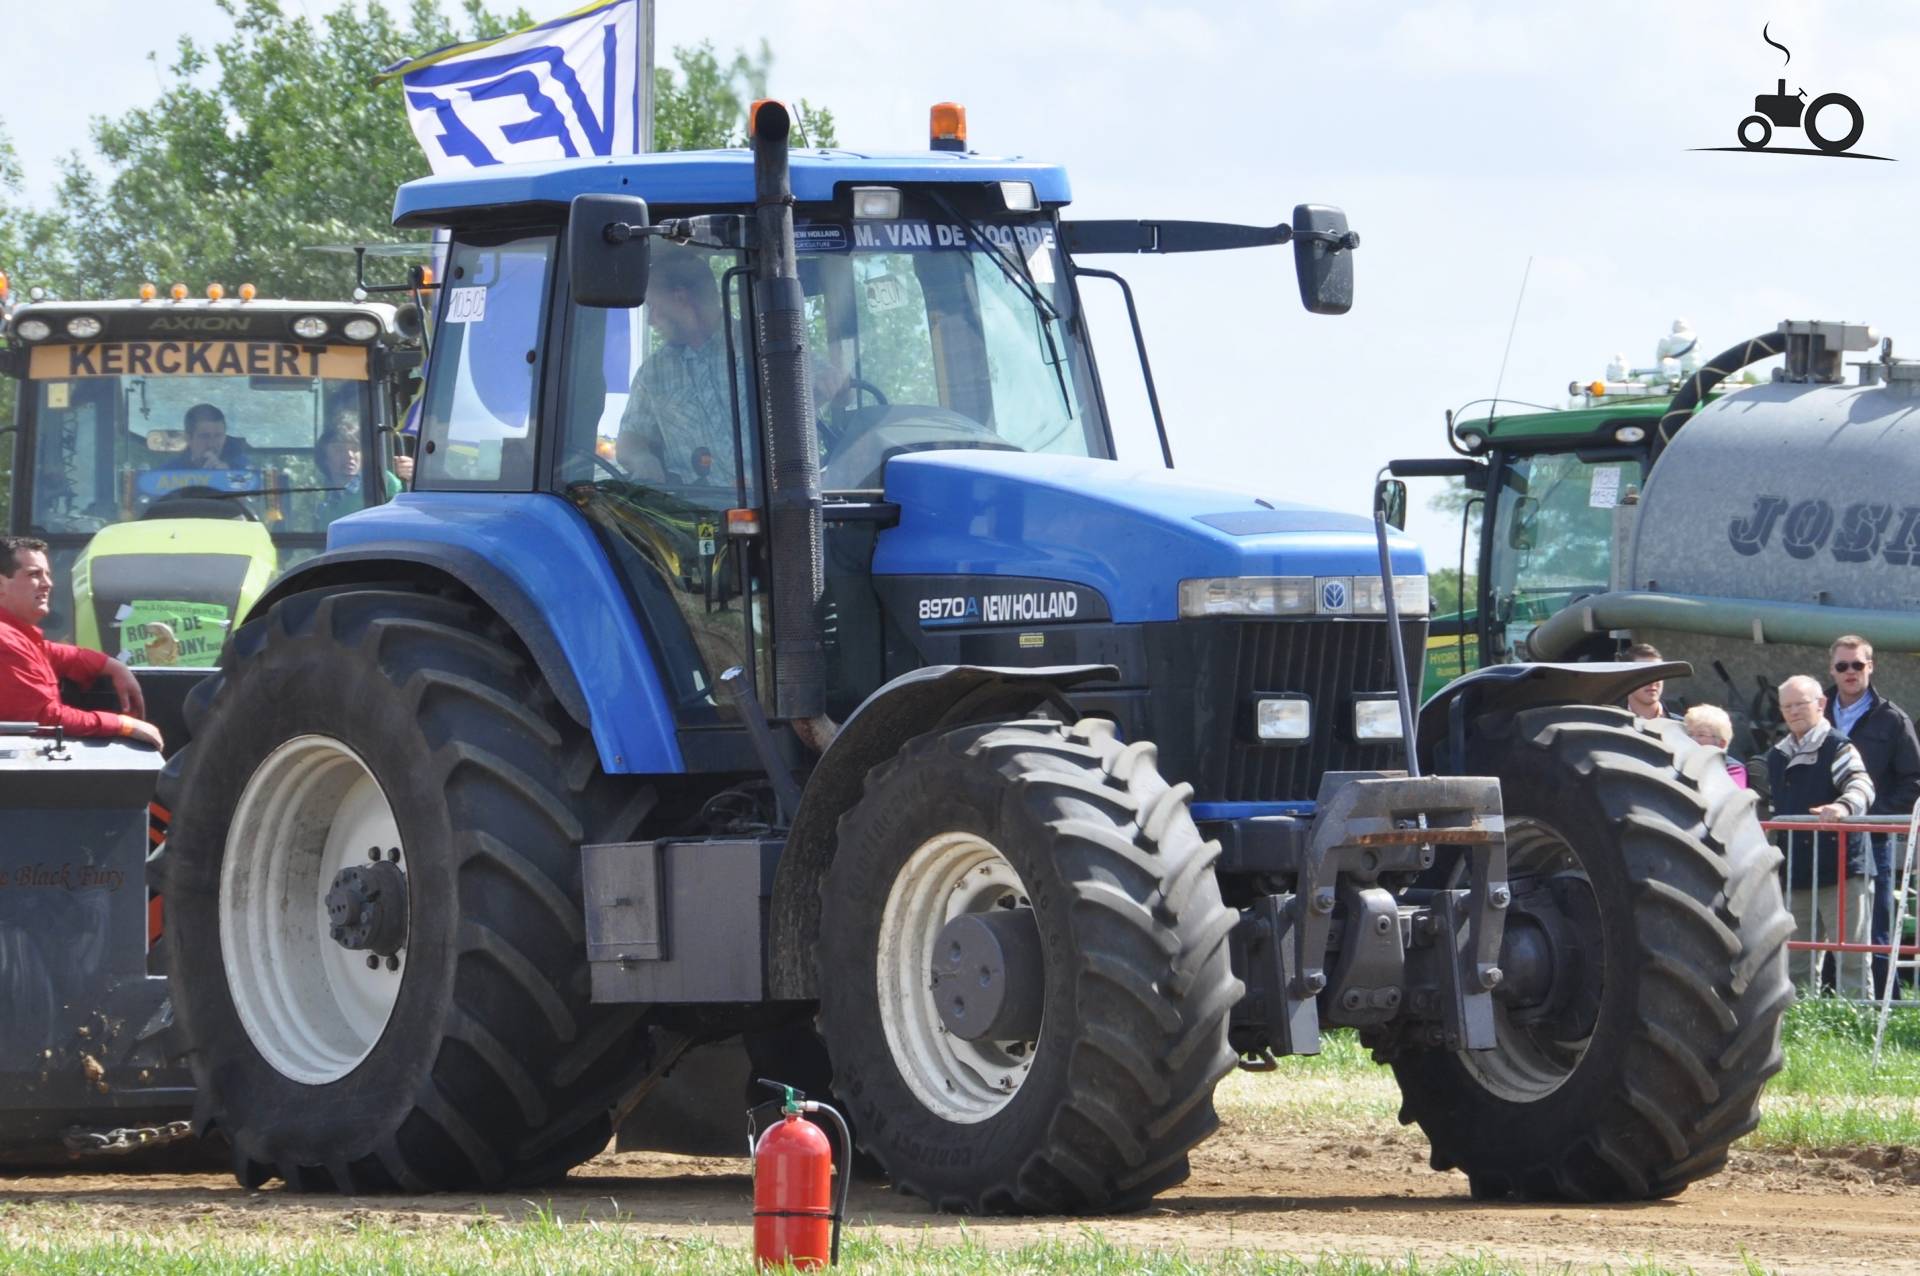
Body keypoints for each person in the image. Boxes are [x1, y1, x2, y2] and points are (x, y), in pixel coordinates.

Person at [1822, 634, 1920, 997]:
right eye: (1842, 666)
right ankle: (1826, 1006)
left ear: (1871, 667)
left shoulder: (1893, 719)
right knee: (1822, 923)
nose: (1850, 672)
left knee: (1873, 925)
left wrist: (1870, 815)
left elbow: (1915, 780)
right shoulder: (1815, 710)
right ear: (1831, 670)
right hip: (1819, 837)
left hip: (1870, 839)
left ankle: (1884, 1007)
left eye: (1858, 665)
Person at [1768, 673, 1874, 995]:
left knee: (1852, 955)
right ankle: (1803, 1024)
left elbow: (1863, 785)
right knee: (1797, 957)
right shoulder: (1776, 755)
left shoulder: (1838, 746)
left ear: (1821, 704)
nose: (1794, 711)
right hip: (1797, 870)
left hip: (1843, 867)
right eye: (1787, 706)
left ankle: (1859, 1023)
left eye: (1801, 704)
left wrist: (1842, 808)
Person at [0, 537, 161, 748]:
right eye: (34, 574)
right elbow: (44, 719)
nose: (48, 584)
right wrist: (124, 725)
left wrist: (110, 665)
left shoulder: (15, 637)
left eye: (47, 574)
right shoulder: (5, 640)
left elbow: (48, 652)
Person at [614, 251, 743, 488]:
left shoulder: (763, 345)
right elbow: (630, 437)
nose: (651, 320)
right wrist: (641, 458)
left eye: (653, 306)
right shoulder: (653, 373)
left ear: (680, 298)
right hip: (695, 511)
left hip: (772, 506)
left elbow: (829, 382)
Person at [312, 422, 402, 523]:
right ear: (324, 458)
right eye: (339, 449)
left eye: (355, 449)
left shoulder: (384, 481)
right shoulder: (325, 513)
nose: (350, 455)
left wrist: (410, 478)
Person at [164, 403, 253, 470]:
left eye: (218, 436)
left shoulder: (242, 467)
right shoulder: (171, 472)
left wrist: (226, 476)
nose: (211, 444)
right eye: (204, 436)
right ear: (188, 438)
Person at [1683, 704, 1746, 787]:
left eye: (1701, 735)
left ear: (1721, 743)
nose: (1692, 739)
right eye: (1689, 734)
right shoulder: (1681, 760)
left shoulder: (1733, 769)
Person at [1625, 641, 1679, 721]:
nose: (1652, 681)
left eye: (1658, 673)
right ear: (1626, 678)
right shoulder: (1608, 721)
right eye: (1644, 674)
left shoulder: (1685, 721)